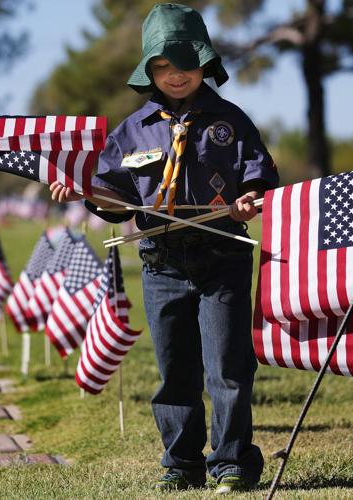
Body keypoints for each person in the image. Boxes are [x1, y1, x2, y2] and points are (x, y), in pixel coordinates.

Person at [50, 3, 279, 493]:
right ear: (149, 70)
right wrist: (83, 191)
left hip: (223, 258)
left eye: (185, 64)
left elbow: (260, 179)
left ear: (205, 63)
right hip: (161, 264)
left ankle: (232, 461)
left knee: (228, 368)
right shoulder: (132, 131)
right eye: (162, 66)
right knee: (174, 369)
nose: (175, 76)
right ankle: (181, 463)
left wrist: (248, 201)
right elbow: (114, 199)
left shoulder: (231, 121)